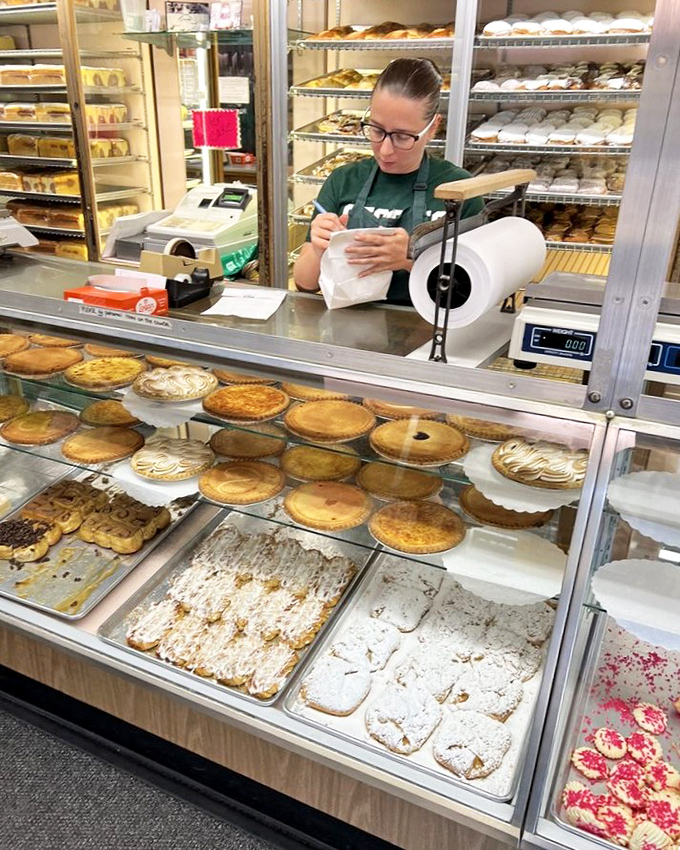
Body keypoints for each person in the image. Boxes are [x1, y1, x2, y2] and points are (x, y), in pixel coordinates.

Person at [293, 57, 484, 305]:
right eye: (376, 130)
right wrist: (318, 249)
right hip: (347, 328)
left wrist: (410, 259)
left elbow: (470, 292)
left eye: (403, 137)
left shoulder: (458, 190)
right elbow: (304, 284)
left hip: (426, 331)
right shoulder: (344, 180)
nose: (385, 150)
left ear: (433, 127)